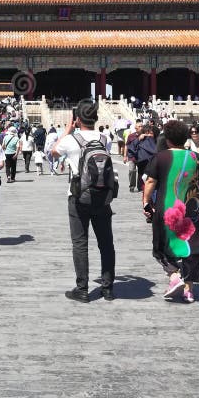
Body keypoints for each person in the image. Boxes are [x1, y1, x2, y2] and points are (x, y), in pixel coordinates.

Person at [142, 119, 199, 304]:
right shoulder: (197, 157)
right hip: (195, 208)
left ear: (167, 140)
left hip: (167, 208)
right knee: (193, 248)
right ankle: (189, 290)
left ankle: (174, 275)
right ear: (186, 138)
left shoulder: (160, 157)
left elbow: (150, 182)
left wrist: (146, 202)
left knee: (162, 244)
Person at [52, 99, 116, 302]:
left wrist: (68, 130)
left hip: (78, 197)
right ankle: (107, 288)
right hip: (103, 196)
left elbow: (52, 153)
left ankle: (82, 288)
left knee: (80, 242)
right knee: (106, 243)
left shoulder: (71, 140)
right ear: (96, 118)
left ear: (77, 119)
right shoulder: (105, 138)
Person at [123, 122, 143, 192]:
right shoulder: (131, 136)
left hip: (141, 157)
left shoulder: (144, 136)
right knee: (132, 171)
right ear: (136, 128)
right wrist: (125, 156)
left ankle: (140, 187)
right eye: (139, 126)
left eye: (141, 126)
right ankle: (132, 185)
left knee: (141, 172)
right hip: (132, 156)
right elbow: (126, 145)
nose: (141, 127)